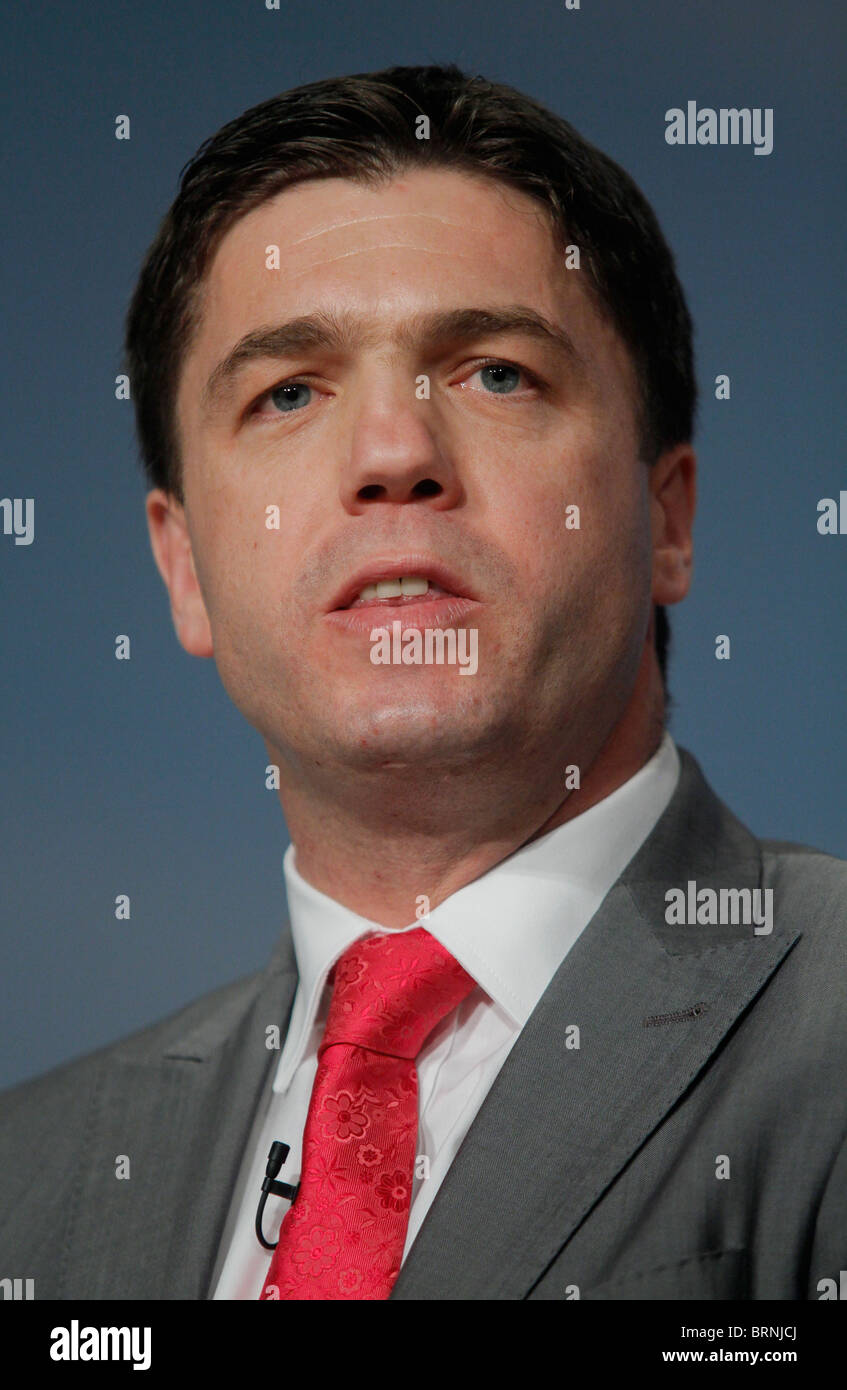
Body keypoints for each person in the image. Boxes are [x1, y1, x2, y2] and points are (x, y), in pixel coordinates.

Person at [1, 64, 844, 1302]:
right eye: (288, 392)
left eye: (495, 371)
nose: (395, 455)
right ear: (181, 566)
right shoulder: (30, 1180)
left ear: (667, 521)